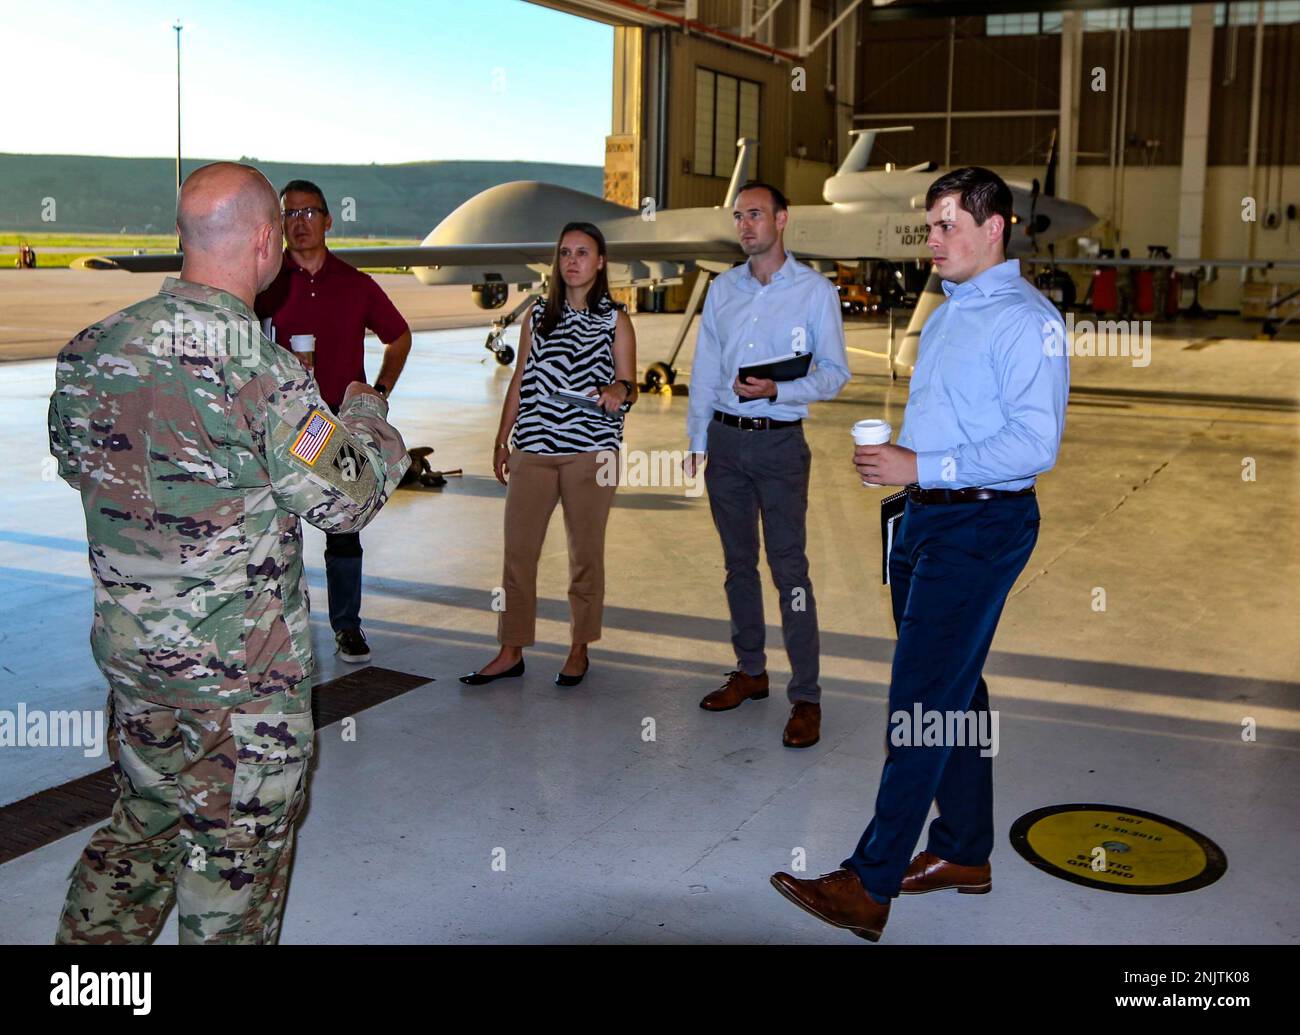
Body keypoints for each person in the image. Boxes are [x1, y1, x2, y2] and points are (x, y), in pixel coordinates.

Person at [48, 162, 410, 945]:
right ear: (264, 241)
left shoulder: (91, 351)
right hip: (237, 687)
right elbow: (351, 496)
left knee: (143, 825)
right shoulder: (267, 376)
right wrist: (367, 412)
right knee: (232, 860)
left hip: (135, 665)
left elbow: (79, 463)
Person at [770, 167, 1069, 942]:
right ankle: (964, 851)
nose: (930, 240)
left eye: (946, 226)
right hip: (927, 521)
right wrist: (904, 466)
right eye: (929, 226)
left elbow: (1035, 443)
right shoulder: (946, 310)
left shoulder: (1024, 319)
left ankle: (869, 884)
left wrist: (920, 467)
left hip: (980, 524)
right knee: (954, 689)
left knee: (921, 705)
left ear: (993, 225)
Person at [685, 181, 850, 749]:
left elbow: (834, 373)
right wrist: (697, 440)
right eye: (739, 216)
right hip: (725, 443)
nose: (745, 225)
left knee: (790, 572)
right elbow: (705, 368)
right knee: (737, 565)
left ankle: (807, 697)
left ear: (783, 219)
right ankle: (751, 671)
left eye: (755, 214)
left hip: (780, 444)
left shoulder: (814, 291)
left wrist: (777, 391)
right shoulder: (724, 290)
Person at [460, 221, 637, 688]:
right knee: (518, 554)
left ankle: (579, 647)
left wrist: (619, 390)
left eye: (583, 252)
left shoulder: (616, 318)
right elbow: (520, 380)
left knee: (585, 555)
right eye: (564, 253)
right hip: (533, 449)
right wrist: (503, 440)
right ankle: (510, 649)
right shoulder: (537, 315)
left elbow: (629, 384)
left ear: (600, 262)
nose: (572, 261)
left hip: (590, 451)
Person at [256, 178, 413, 665]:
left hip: (337, 429)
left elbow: (399, 336)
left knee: (344, 534)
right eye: (289, 214)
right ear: (279, 224)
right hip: (277, 426)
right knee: (270, 532)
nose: (299, 222)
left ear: (328, 220)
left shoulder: (355, 283)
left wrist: (378, 394)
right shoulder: (263, 286)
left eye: (309, 213)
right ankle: (272, 632)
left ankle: (347, 626)